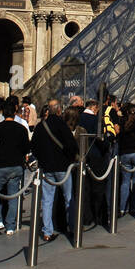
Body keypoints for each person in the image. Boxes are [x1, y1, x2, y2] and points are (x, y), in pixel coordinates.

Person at [32, 98, 77, 242]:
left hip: (46, 168)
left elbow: (33, 147)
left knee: (47, 200)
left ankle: (47, 231)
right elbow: (71, 145)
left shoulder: (40, 127)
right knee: (68, 198)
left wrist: (42, 160)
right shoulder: (62, 125)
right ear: (59, 110)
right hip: (63, 167)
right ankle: (72, 228)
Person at [0, 96, 29, 236]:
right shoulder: (21, 128)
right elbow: (26, 147)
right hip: (17, 165)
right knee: (13, 195)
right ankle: (10, 225)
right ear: (15, 112)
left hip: (2, 164)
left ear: (4, 113)